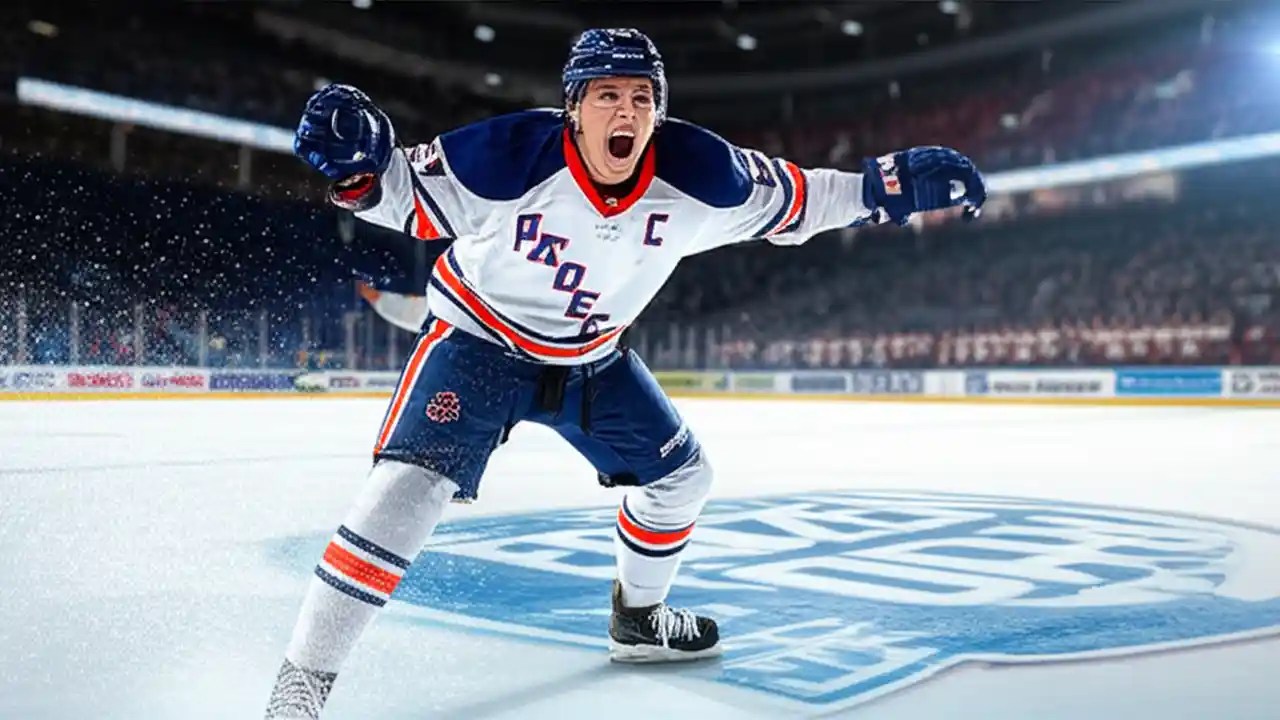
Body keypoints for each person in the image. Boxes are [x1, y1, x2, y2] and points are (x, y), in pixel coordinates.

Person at [264, 27, 986, 719]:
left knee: (683, 480)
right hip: (478, 341)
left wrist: (882, 187)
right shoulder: (507, 155)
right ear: (573, 109)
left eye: (642, 98)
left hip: (591, 359)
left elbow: (801, 199)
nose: (627, 112)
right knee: (406, 491)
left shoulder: (704, 176)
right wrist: (358, 168)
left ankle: (637, 622)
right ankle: (301, 690)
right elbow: (402, 195)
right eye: (607, 95)